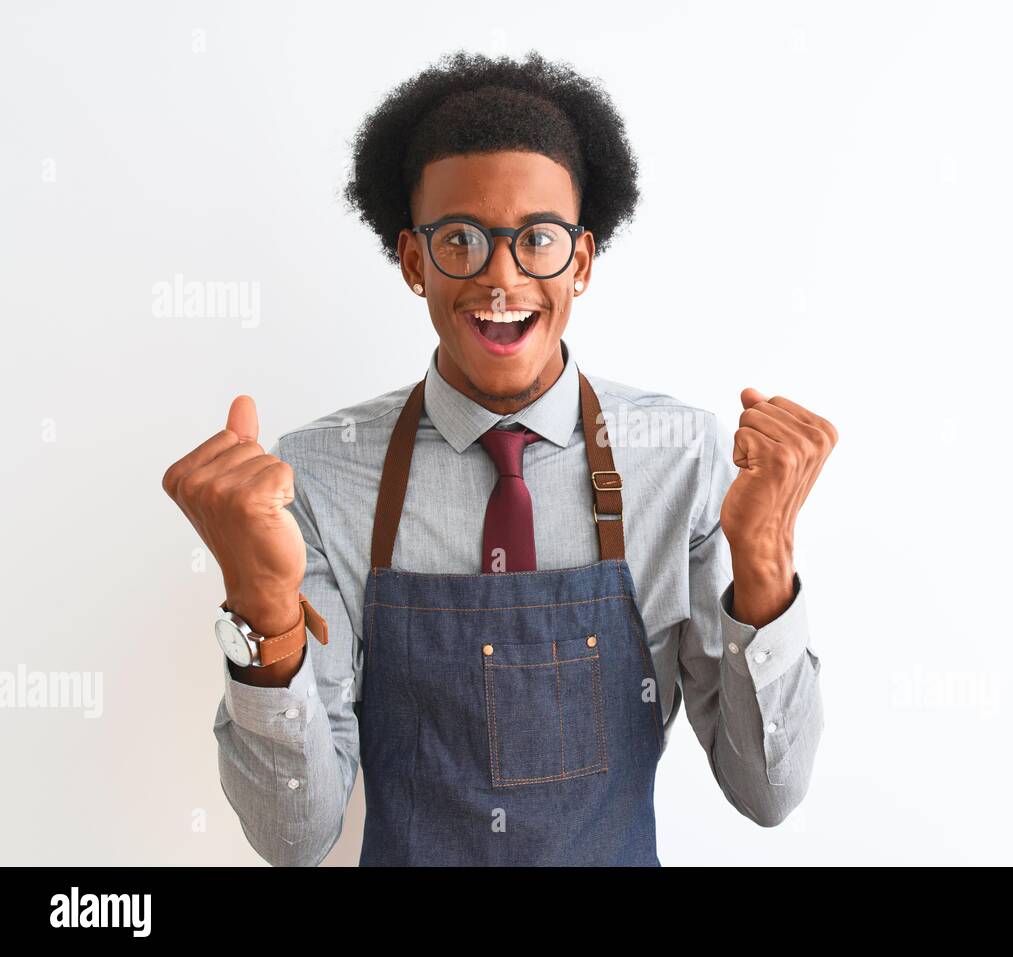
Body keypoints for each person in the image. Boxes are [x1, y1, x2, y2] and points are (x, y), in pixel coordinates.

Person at [162, 50, 837, 866]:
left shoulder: (681, 459)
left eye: (537, 239)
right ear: (414, 261)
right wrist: (264, 614)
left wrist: (764, 562)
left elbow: (767, 791)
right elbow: (295, 838)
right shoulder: (317, 477)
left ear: (580, 261)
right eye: (461, 239)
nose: (500, 276)